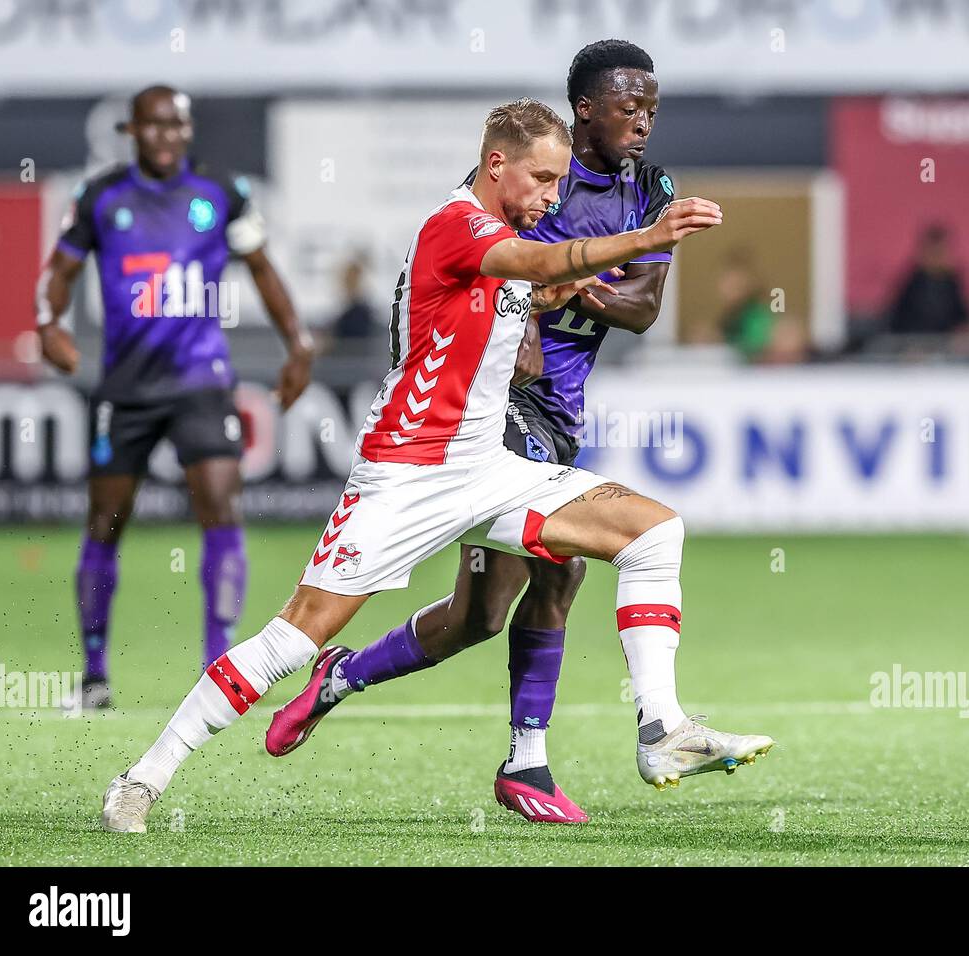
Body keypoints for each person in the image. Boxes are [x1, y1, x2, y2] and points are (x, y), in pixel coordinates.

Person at [100, 97, 773, 834]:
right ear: (496, 166)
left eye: (558, 183)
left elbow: (524, 289)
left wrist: (551, 298)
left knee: (654, 533)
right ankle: (142, 778)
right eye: (543, 180)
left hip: (488, 469)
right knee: (292, 640)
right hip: (406, 475)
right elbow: (538, 260)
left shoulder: (506, 237)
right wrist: (647, 236)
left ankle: (662, 730)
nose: (553, 196)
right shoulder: (459, 225)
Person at [264, 39, 677, 825]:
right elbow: (454, 282)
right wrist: (531, 300)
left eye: (653, 108)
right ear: (585, 108)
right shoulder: (509, 183)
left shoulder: (652, 188)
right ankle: (530, 765)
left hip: (562, 411)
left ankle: (342, 676)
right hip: (499, 411)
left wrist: (566, 285)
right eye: (630, 106)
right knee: (563, 567)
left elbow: (643, 310)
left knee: (480, 618)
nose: (644, 122)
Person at [37, 85, 314, 708]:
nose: (167, 136)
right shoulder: (102, 196)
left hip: (200, 381)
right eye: (154, 126)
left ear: (188, 131)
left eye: (177, 126)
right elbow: (60, 269)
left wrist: (297, 345)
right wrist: (49, 323)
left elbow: (264, 269)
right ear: (132, 131)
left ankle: (217, 668)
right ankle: (94, 675)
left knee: (221, 505)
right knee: (105, 523)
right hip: (126, 388)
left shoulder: (222, 194)